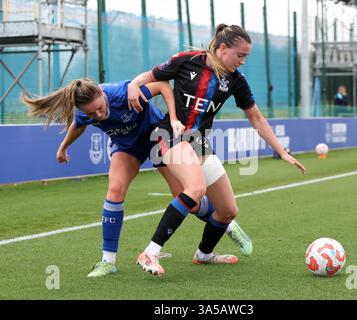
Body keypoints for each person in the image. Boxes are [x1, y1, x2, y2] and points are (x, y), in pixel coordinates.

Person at [21, 78, 253, 278]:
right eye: (92, 113)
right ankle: (108, 262)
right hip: (127, 147)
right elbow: (78, 125)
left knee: (186, 199)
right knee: (115, 190)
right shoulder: (85, 112)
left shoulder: (123, 92)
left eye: (100, 109)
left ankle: (226, 223)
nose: (98, 115)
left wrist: (172, 118)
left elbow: (162, 85)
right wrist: (63, 147)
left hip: (156, 138)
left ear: (103, 93)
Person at [128, 24, 306, 277]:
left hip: (199, 143)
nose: (243, 61)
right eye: (240, 55)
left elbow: (256, 118)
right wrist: (133, 85)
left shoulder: (236, 80)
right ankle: (151, 251)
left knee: (227, 211)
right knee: (196, 190)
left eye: (246, 56)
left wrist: (282, 151)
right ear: (223, 48)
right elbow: (149, 76)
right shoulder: (186, 60)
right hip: (168, 135)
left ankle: (204, 254)